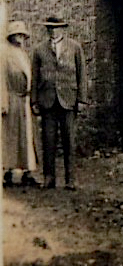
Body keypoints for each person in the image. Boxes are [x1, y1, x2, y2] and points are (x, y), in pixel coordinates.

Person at [31, 15, 86, 190]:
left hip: (68, 100)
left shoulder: (75, 48)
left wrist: (81, 99)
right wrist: (34, 100)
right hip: (47, 100)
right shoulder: (39, 50)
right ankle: (49, 177)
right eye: (50, 28)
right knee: (48, 140)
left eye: (56, 28)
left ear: (63, 29)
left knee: (69, 140)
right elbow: (34, 77)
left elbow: (81, 75)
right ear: (47, 30)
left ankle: (71, 179)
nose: (53, 31)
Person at [2, 20, 39, 187]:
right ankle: (8, 171)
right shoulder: (4, 53)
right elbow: (1, 79)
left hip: (24, 99)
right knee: (11, 135)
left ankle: (27, 171)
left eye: (22, 35)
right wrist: (3, 102)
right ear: (11, 36)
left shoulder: (24, 54)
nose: (20, 38)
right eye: (17, 35)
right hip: (12, 98)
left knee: (27, 136)